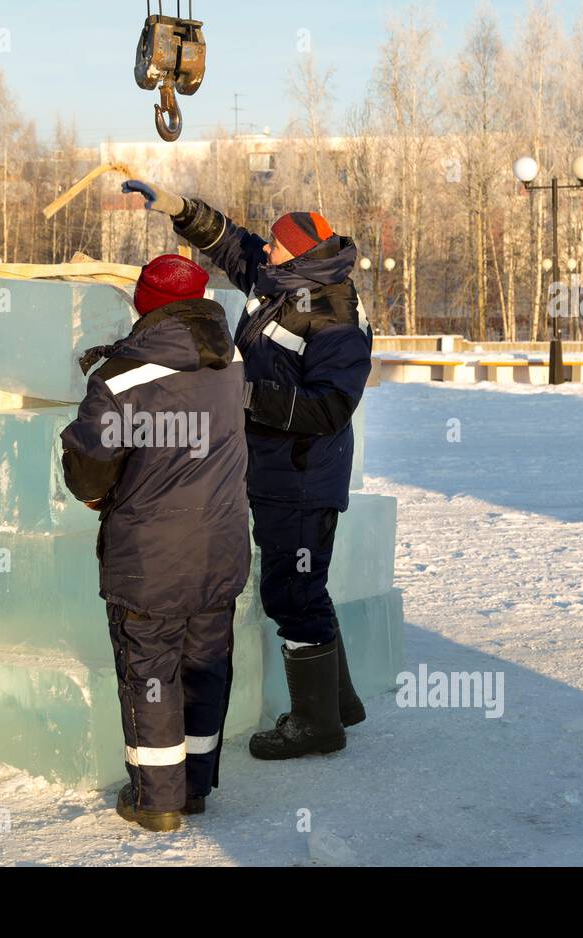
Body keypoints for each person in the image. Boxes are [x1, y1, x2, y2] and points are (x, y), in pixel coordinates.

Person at [122, 180, 372, 761]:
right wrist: (181, 210)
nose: (269, 254)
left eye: (279, 249)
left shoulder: (333, 313)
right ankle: (340, 701)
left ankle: (316, 724)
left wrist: (242, 394)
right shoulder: (288, 280)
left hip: (303, 476)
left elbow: (332, 406)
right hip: (278, 470)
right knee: (303, 585)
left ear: (303, 255)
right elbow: (235, 246)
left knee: (292, 593)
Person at [60, 254, 249, 832]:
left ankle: (157, 800)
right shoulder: (232, 357)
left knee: (150, 670)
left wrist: (94, 492)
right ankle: (193, 786)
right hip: (219, 544)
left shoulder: (119, 379)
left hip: (151, 557)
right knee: (205, 665)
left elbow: (90, 465)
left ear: (145, 303)